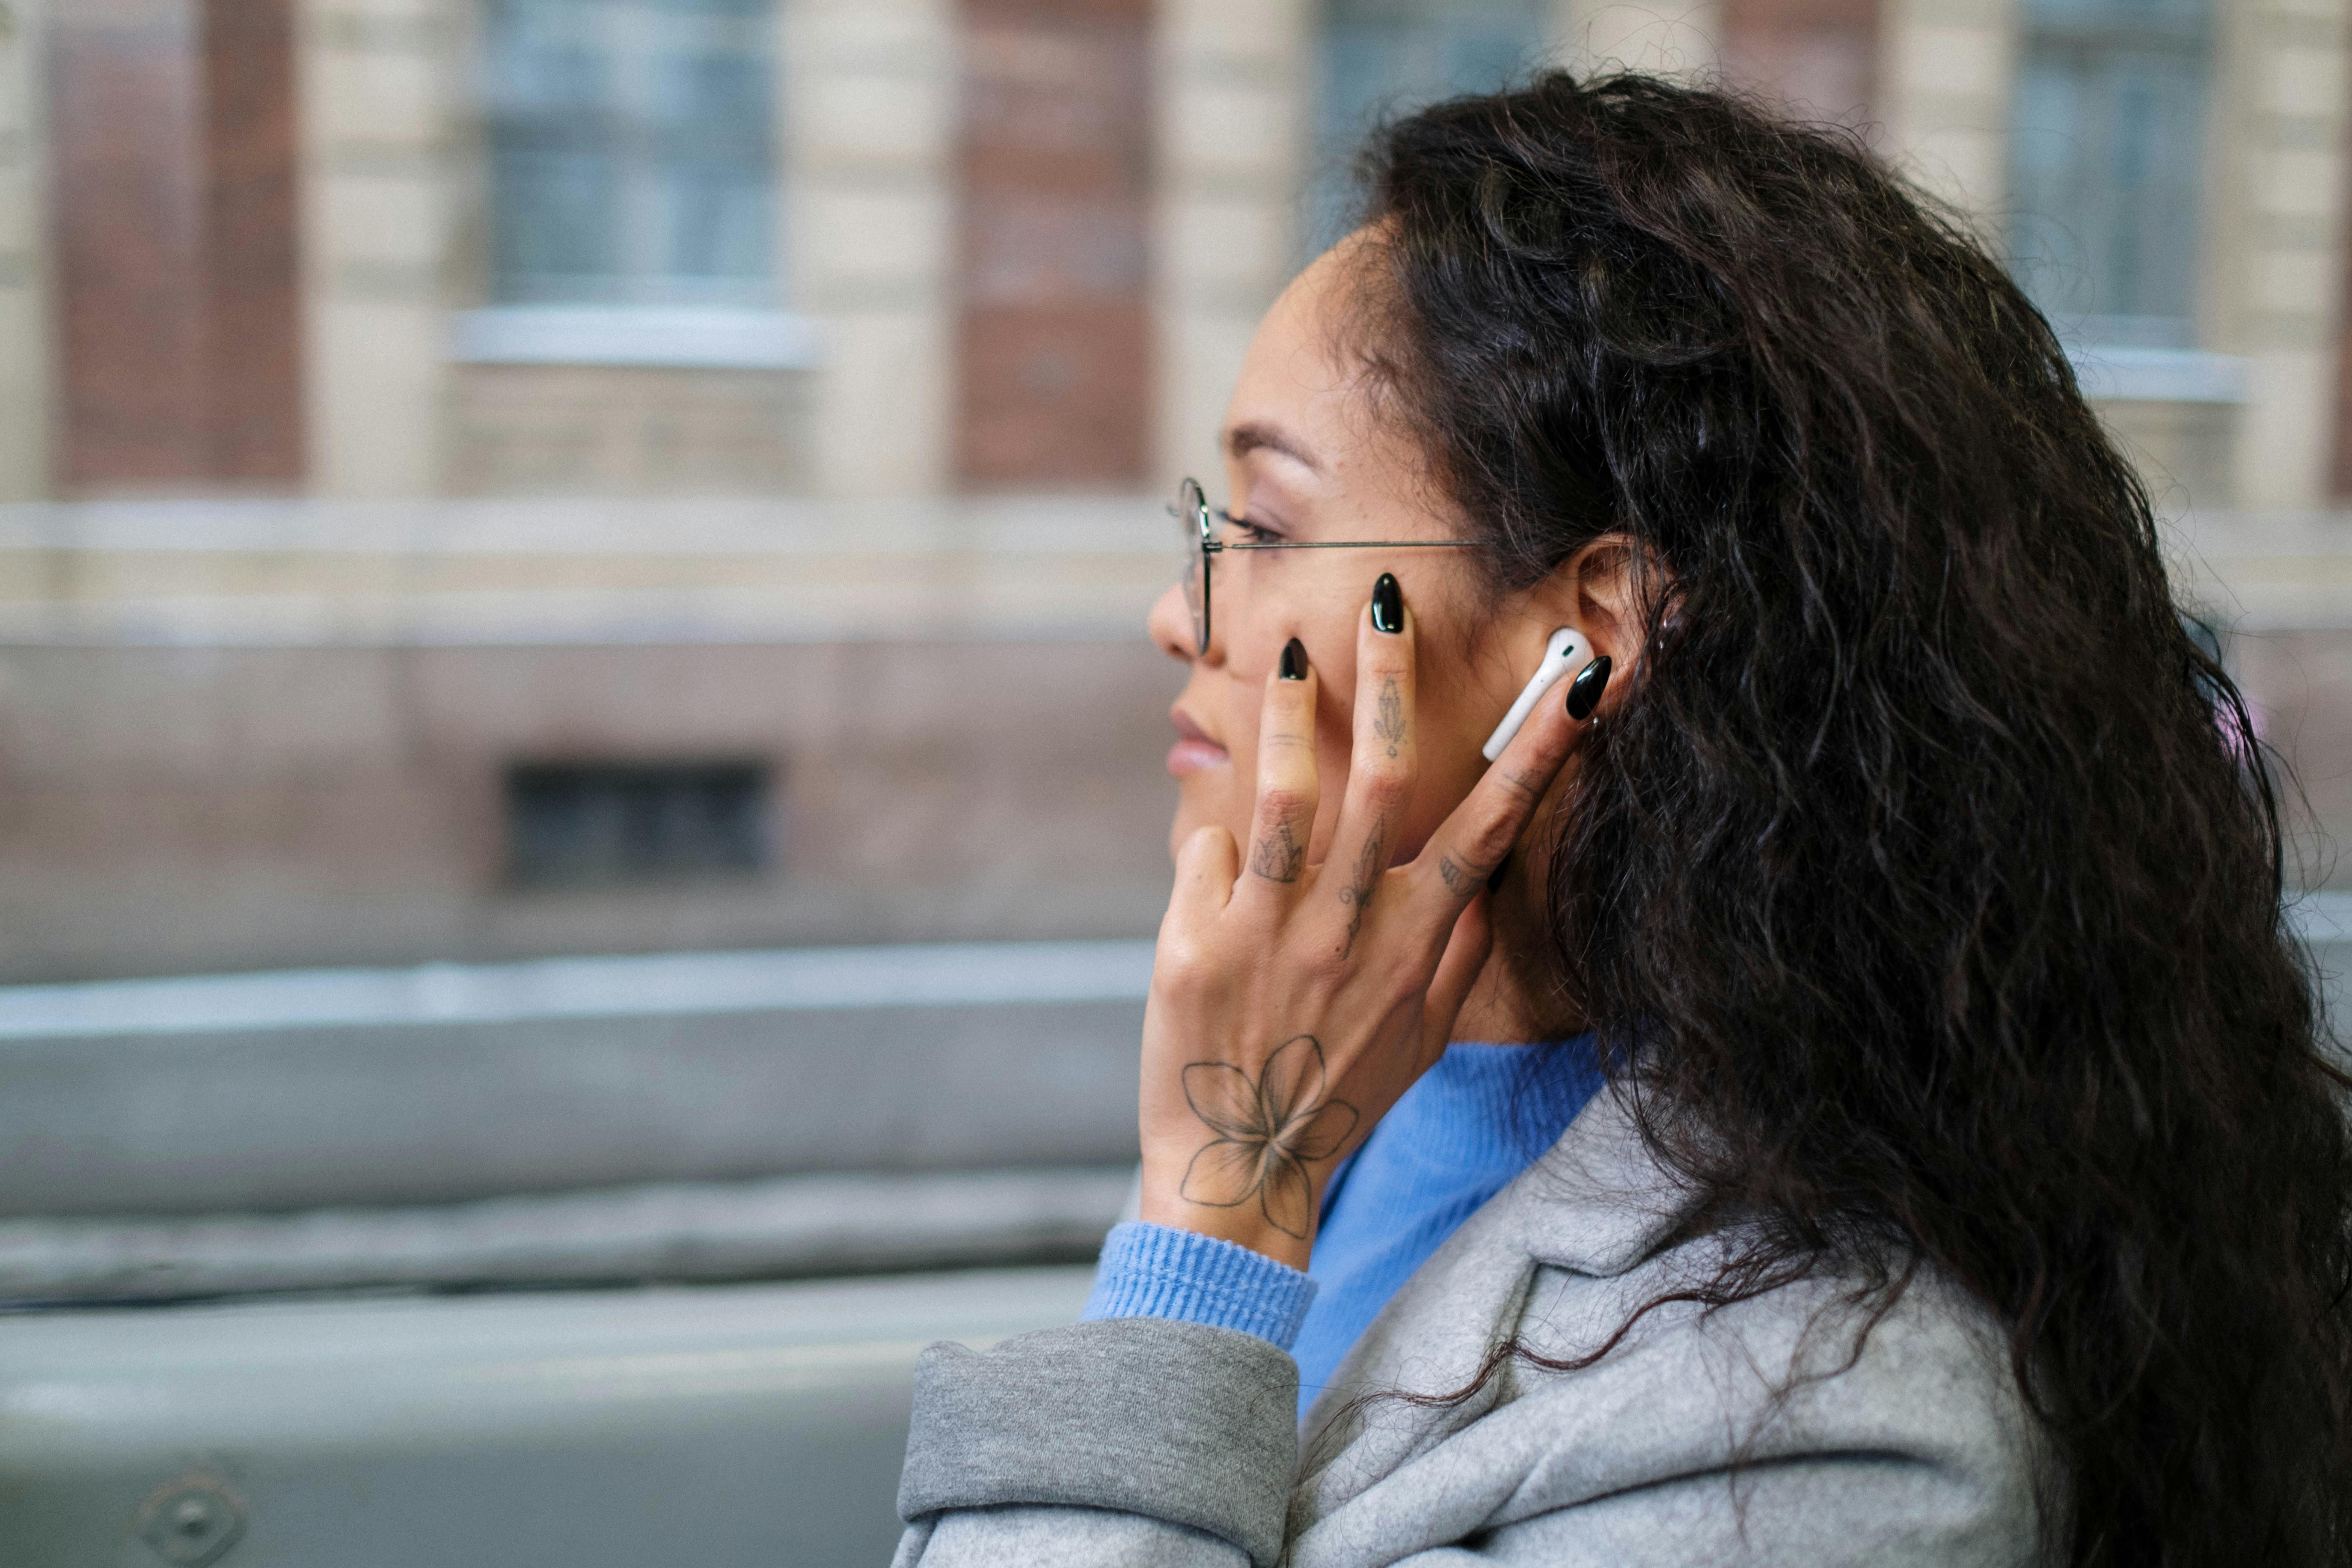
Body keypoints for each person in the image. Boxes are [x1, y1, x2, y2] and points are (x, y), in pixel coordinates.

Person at [891, 73, 2352, 1567]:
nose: (1174, 611)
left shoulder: (1824, 1419)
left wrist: (1216, 1211)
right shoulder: (1348, 1077)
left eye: (1265, 528)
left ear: (1585, 630)